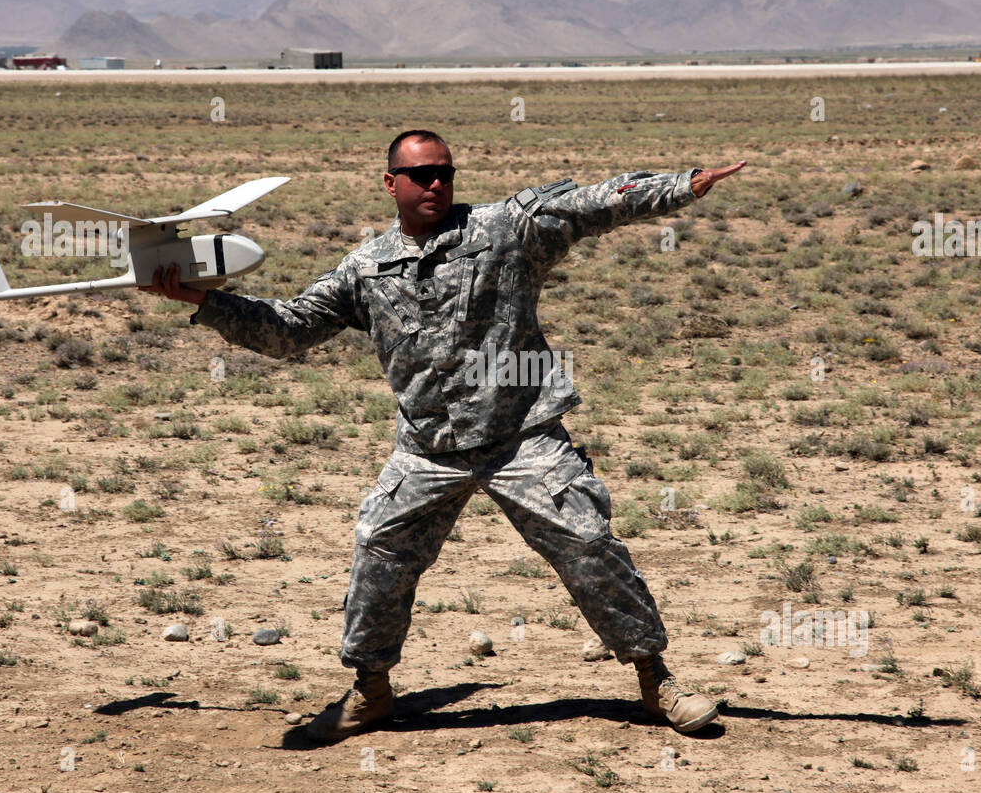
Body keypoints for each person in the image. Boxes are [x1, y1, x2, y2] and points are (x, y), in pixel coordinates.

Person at [142, 130, 746, 740]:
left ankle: (655, 680)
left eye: (444, 173)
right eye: (421, 174)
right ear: (390, 184)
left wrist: (684, 183)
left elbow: (593, 202)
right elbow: (290, 330)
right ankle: (371, 691)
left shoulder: (507, 229)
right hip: (427, 448)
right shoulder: (367, 267)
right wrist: (204, 300)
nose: (435, 183)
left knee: (589, 544)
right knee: (379, 554)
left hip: (521, 436)